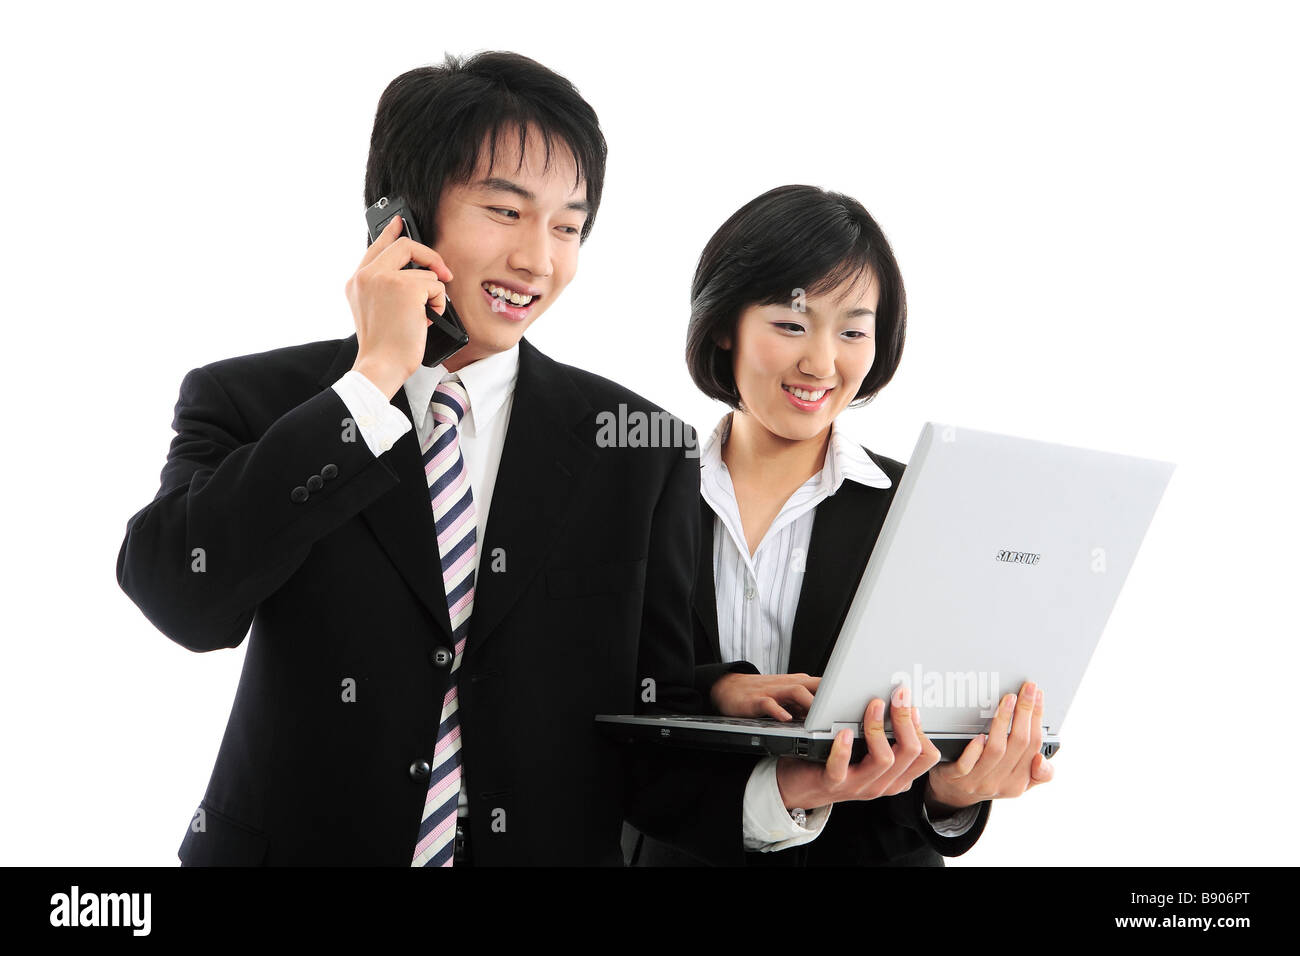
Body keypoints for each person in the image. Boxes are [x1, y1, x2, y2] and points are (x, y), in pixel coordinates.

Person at [116, 52, 814, 866]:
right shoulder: (256, 401)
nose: (538, 261)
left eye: (568, 226)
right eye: (505, 212)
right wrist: (371, 383)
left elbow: (642, 739)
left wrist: (792, 791)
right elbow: (182, 599)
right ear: (400, 219)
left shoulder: (636, 443)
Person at [626, 185, 1054, 866]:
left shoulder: (923, 507)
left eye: (853, 330)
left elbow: (935, 741)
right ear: (723, 325)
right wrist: (714, 688)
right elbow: (606, 695)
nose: (822, 363)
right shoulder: (637, 494)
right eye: (792, 325)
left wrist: (952, 795)